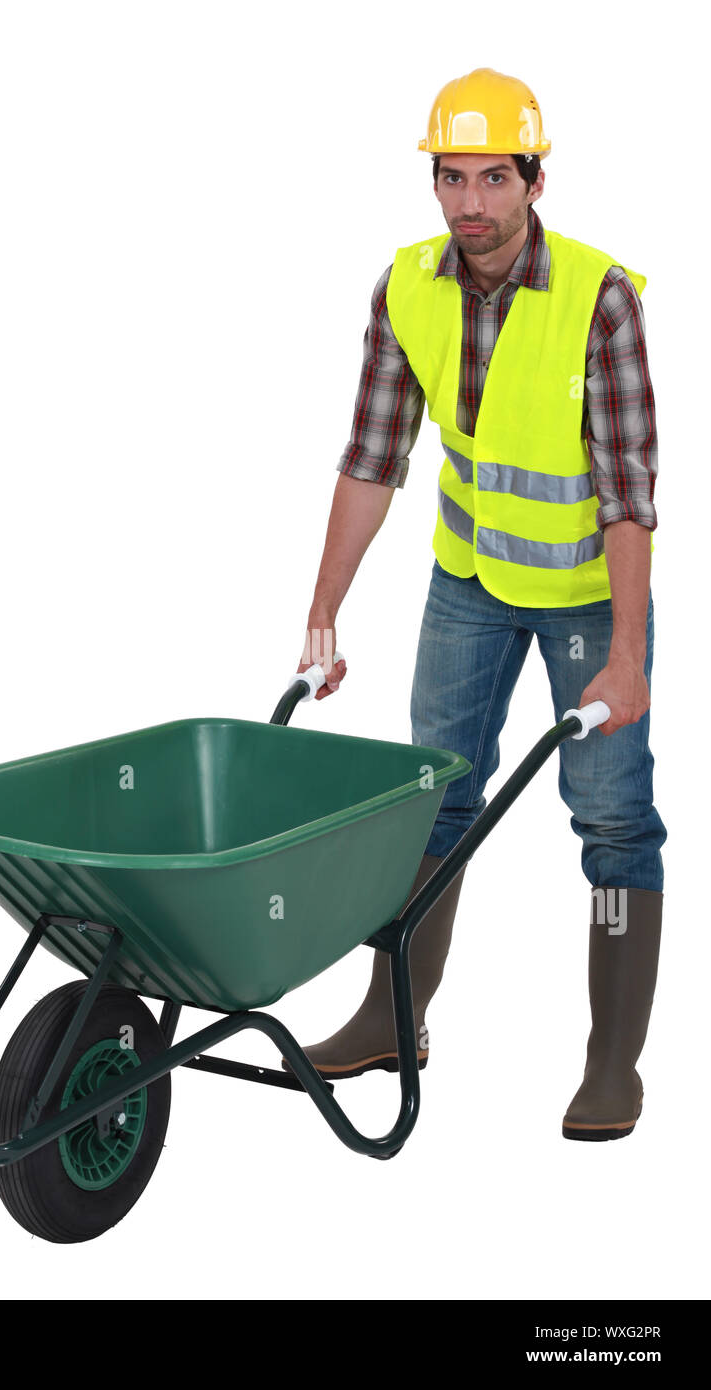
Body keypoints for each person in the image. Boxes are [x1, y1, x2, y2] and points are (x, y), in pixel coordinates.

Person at [288, 67, 666, 1141]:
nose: (469, 204)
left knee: (608, 818)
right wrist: (323, 609)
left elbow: (629, 491)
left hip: (587, 595)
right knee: (431, 794)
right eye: (450, 178)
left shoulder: (597, 299)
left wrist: (626, 652)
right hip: (467, 579)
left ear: (533, 180)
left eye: (493, 178)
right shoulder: (406, 284)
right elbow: (371, 458)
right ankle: (387, 1015)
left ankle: (610, 1059)